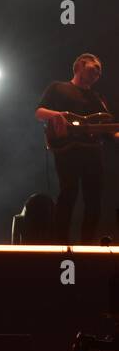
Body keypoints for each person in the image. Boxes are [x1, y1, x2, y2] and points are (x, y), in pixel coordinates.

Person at [35, 53, 116, 244]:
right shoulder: (58, 87)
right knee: (68, 193)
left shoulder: (97, 98)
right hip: (67, 149)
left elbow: (106, 128)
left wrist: (115, 134)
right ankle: (60, 244)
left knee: (94, 198)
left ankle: (87, 245)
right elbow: (39, 112)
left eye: (99, 73)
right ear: (79, 65)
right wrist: (57, 115)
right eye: (93, 68)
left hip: (92, 152)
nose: (96, 73)